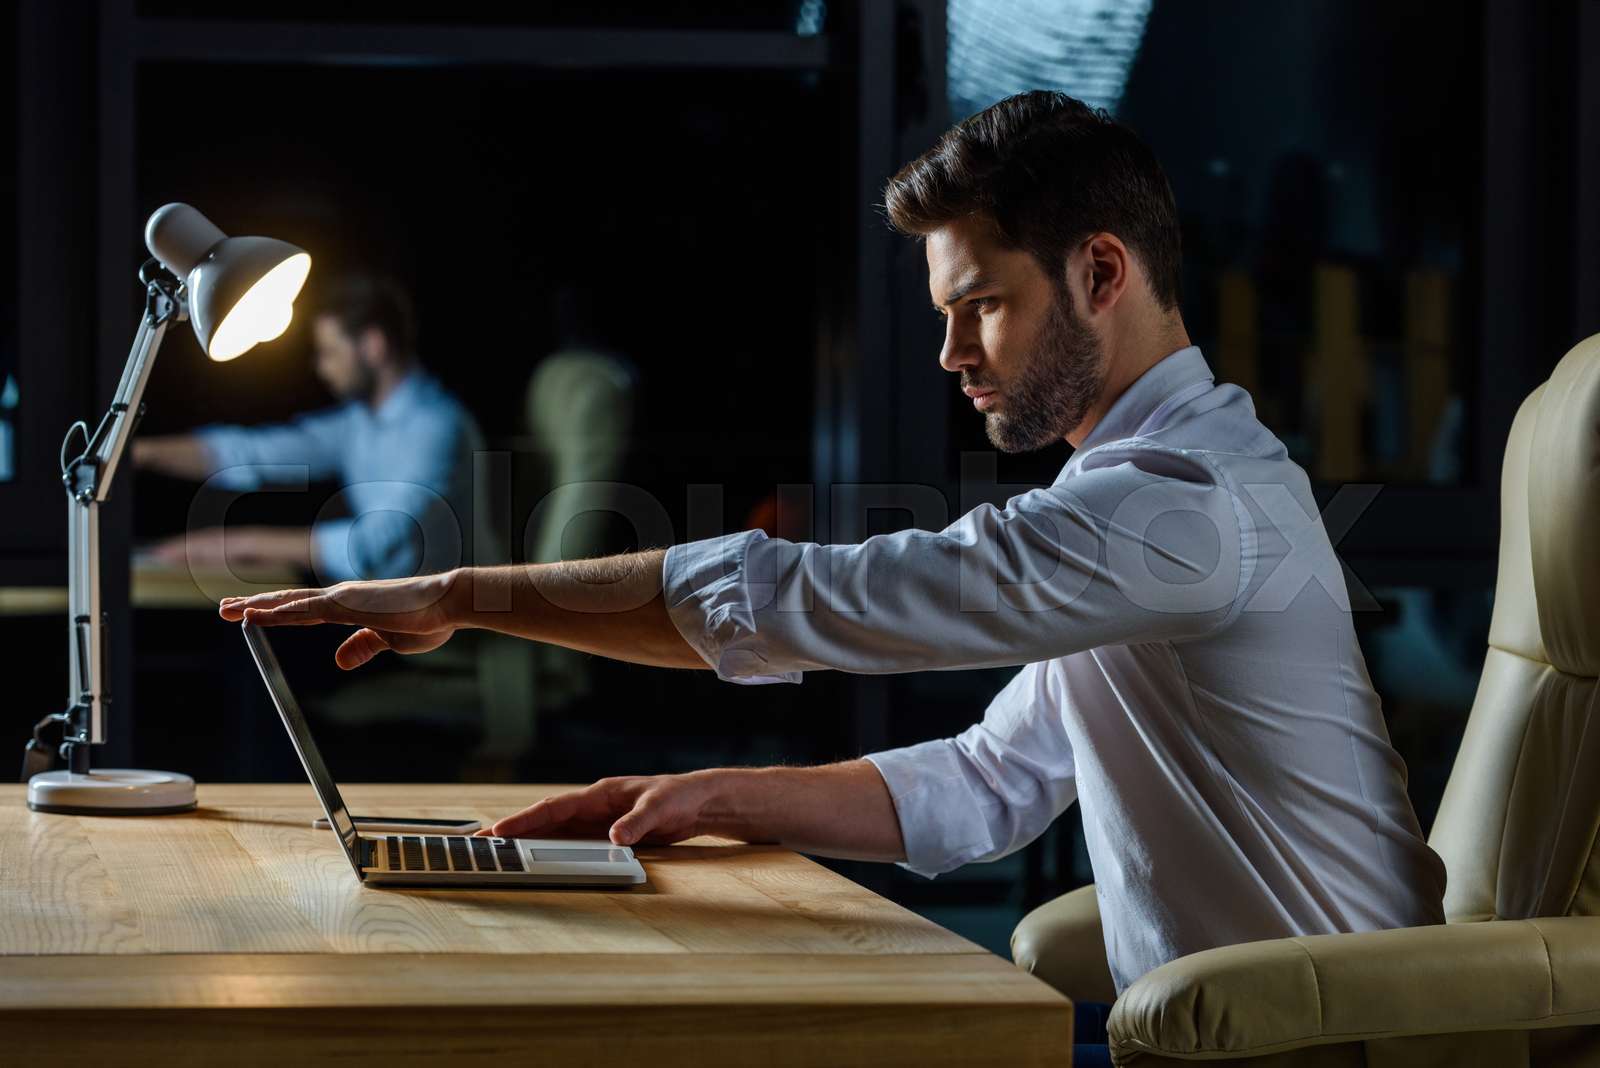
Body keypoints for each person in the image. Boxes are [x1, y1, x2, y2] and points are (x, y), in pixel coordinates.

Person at [219, 93, 1447, 1050]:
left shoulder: (1183, 511)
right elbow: (986, 781)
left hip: (1315, 1045)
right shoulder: (1160, 491)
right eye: (941, 315)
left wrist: (460, 595)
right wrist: (701, 794)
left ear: (1101, 273)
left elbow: (808, 598)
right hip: (1248, 1029)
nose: (951, 355)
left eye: (981, 308)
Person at [136, 275, 483, 582]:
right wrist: (141, 454)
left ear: (374, 345)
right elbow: (253, 453)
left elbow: (370, 545)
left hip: (452, 626)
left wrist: (233, 545)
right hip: (394, 616)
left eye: (329, 352)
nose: (321, 367)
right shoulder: (358, 423)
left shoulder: (437, 427)